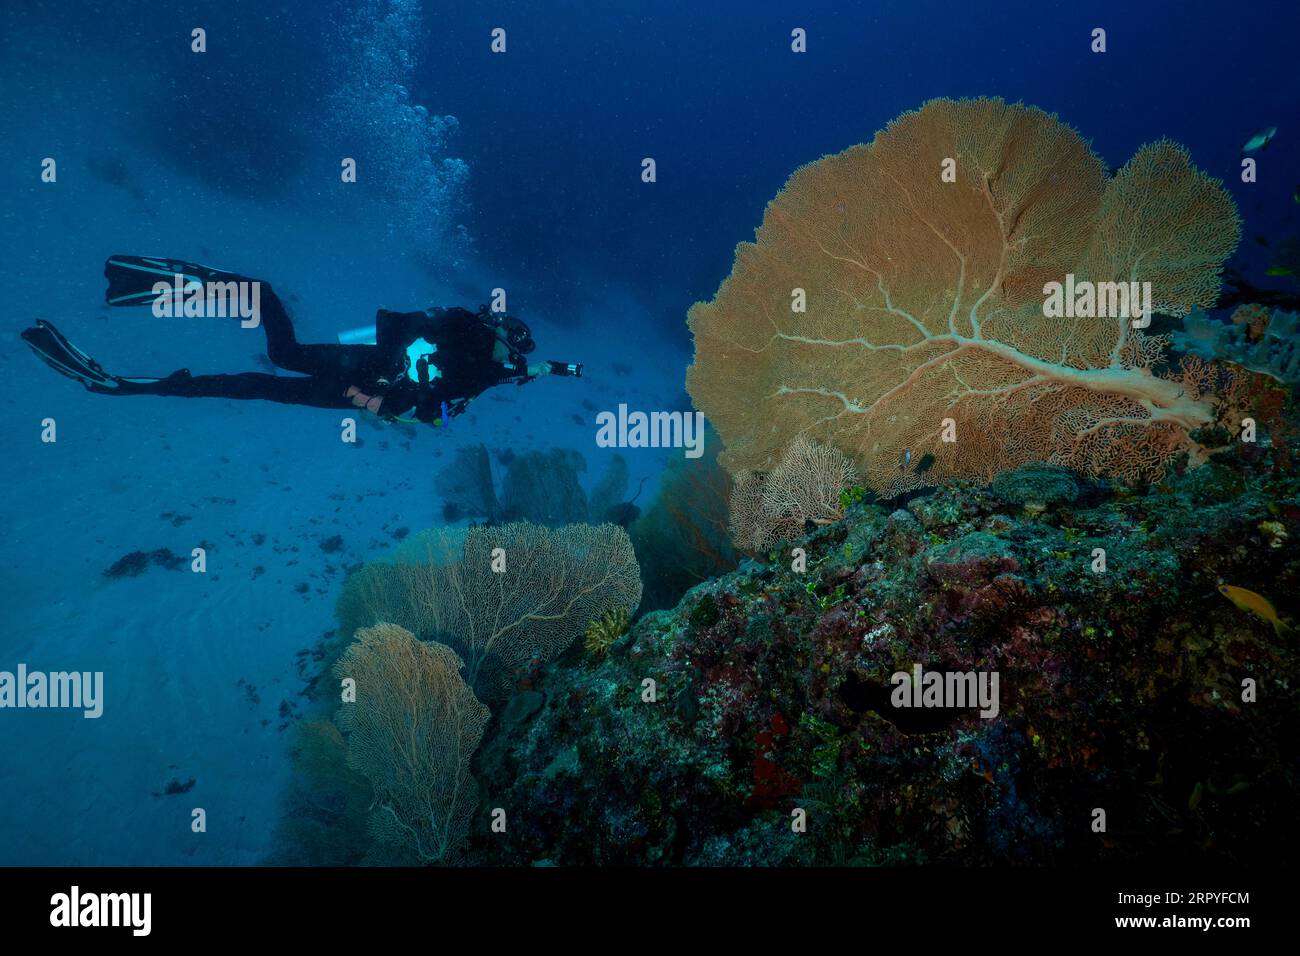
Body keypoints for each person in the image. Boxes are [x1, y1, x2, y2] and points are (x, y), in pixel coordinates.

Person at [23, 255, 581, 426]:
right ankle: (124, 384)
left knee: (263, 371)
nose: (516, 359)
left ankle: (180, 301)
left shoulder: (485, 357)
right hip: (353, 384)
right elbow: (423, 406)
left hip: (353, 370)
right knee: (254, 382)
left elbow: (523, 373)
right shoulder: (473, 349)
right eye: (517, 347)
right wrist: (375, 399)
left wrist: (562, 370)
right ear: (505, 339)